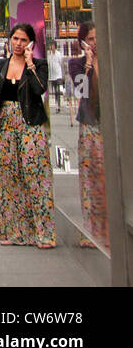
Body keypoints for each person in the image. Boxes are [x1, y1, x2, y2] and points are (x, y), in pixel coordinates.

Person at [0, 23, 55, 248]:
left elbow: (38, 89)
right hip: (5, 125)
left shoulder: (39, 65)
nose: (18, 44)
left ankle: (44, 233)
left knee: (36, 176)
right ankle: (16, 232)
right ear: (9, 40)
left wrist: (31, 63)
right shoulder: (0, 65)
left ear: (30, 43)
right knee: (8, 177)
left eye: (23, 40)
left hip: (30, 123)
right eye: (15, 39)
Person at [68, 22, 107, 250]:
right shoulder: (77, 64)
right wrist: (90, 64)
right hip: (90, 124)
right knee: (91, 177)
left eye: (97, 38)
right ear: (83, 42)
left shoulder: (111, 61)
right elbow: (81, 91)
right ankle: (91, 230)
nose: (95, 42)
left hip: (109, 124)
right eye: (90, 39)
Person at [46, 41, 63, 113]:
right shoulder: (49, 55)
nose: (51, 47)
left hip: (58, 75)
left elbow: (60, 63)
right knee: (53, 91)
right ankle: (56, 104)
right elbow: (48, 63)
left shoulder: (58, 54)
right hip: (51, 75)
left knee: (57, 91)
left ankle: (58, 106)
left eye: (52, 46)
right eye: (50, 46)